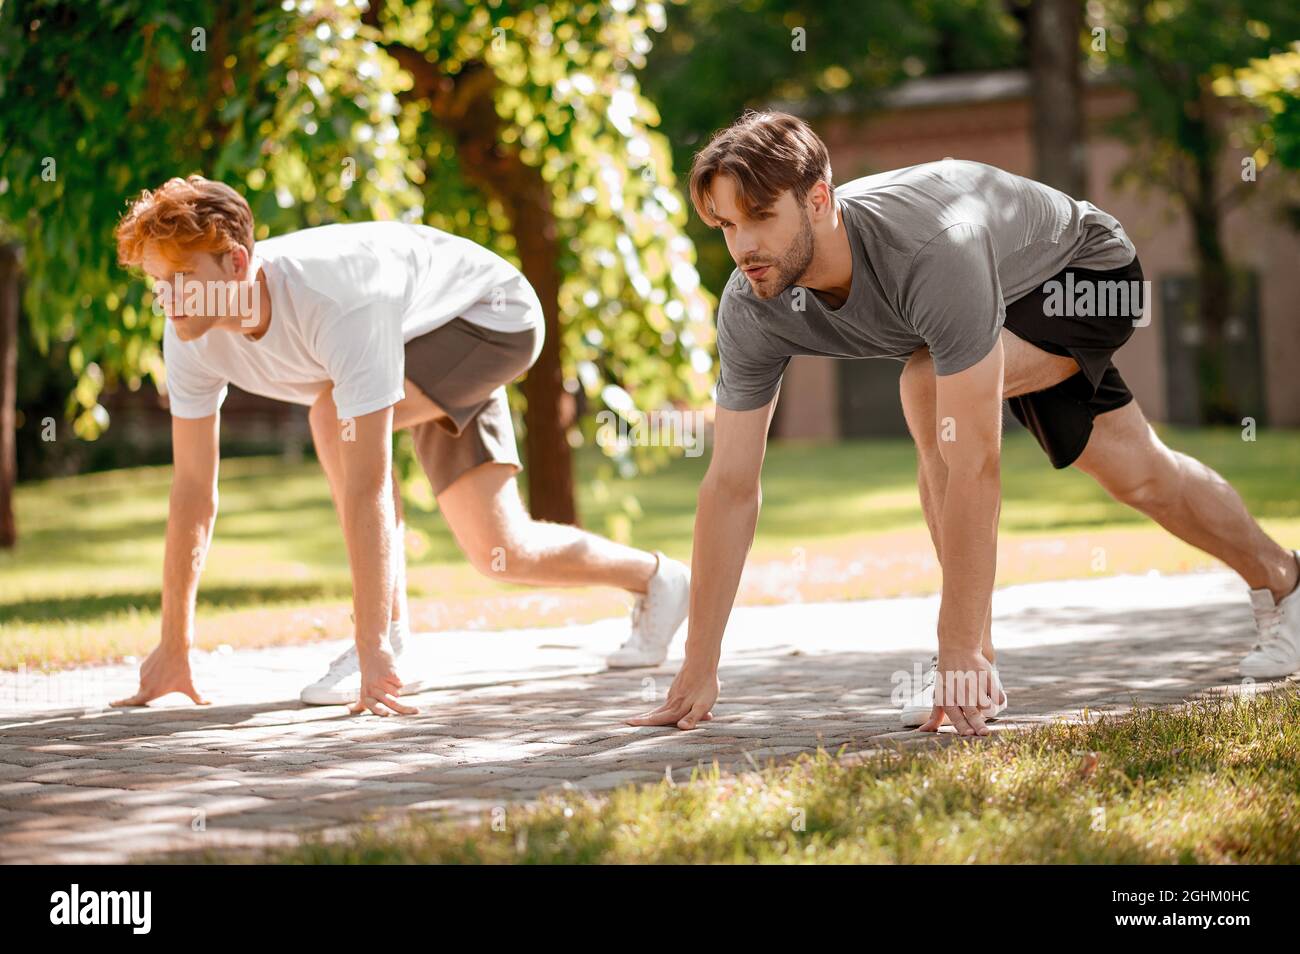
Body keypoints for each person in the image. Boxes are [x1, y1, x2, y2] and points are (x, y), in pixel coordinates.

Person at [629, 110, 1299, 736]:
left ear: (818, 201)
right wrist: (699, 662)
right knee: (1142, 474)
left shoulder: (929, 249)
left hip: (1084, 272)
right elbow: (730, 487)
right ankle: (1285, 580)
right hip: (996, 288)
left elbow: (976, 459)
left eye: (760, 218)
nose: (743, 247)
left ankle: (970, 659)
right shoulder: (753, 304)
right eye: (724, 226)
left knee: (925, 386)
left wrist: (953, 650)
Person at [110, 175, 689, 716]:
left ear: (236, 263)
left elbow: (367, 486)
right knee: (502, 550)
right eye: (158, 283)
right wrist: (175, 645)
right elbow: (192, 490)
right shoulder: (189, 332)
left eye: (181, 281)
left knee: (331, 413)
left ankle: (386, 643)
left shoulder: (334, 299)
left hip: (491, 320)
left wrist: (371, 649)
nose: (168, 300)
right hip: (411, 335)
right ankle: (658, 578)